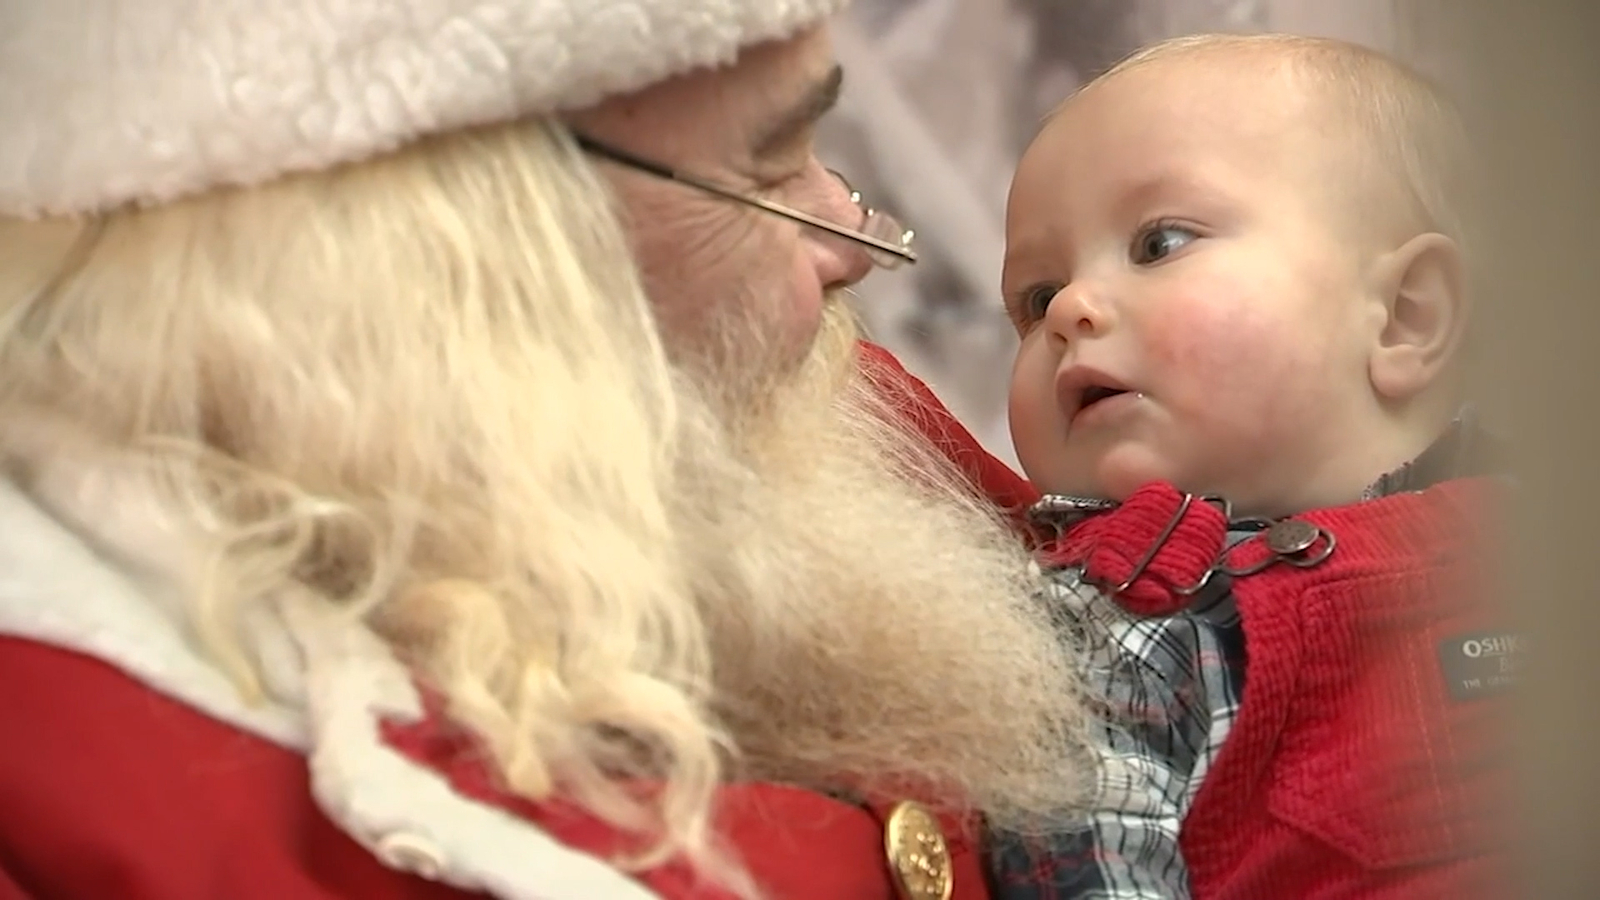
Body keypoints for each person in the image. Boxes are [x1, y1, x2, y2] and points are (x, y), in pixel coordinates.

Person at [0, 1, 1096, 898]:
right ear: (449, 257)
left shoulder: (797, 389)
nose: (847, 242)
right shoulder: (77, 786)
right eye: (767, 167)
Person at [987, 33, 1510, 899]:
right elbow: (1089, 858)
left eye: (1159, 243)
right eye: (1036, 298)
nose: (1070, 310)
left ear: (1403, 317)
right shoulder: (1125, 622)